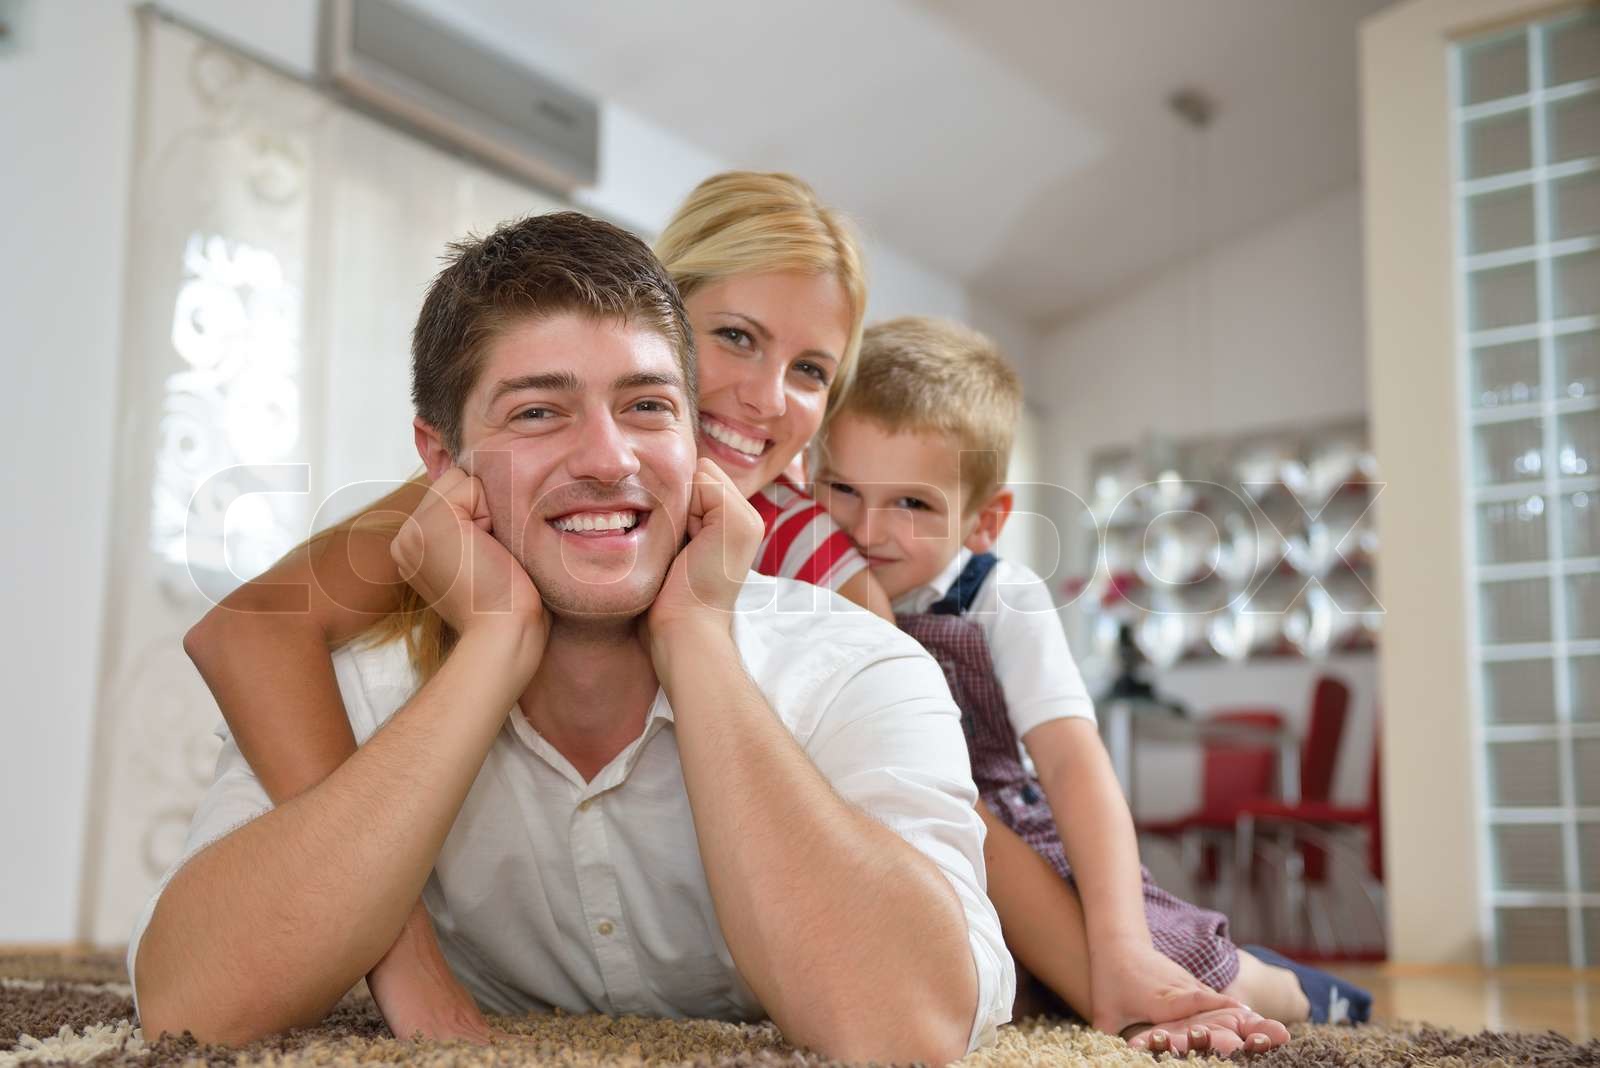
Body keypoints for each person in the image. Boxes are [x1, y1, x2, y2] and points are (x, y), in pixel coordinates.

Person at [130, 212, 1014, 1063]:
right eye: (537, 413)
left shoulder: (856, 663)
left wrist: (696, 635)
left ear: (694, 436)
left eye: (646, 406)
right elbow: (192, 1008)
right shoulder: (360, 684)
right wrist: (492, 645)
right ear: (440, 463)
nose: (608, 458)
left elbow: (906, 1026)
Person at [808, 317, 1375, 1056]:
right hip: (900, 847)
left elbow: (1074, 765)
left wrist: (1121, 944)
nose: (865, 526)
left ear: (985, 521)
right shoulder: (805, 586)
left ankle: (1299, 988)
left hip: (1019, 843)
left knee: (1177, 968)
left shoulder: (999, 597)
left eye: (912, 504)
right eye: (842, 489)